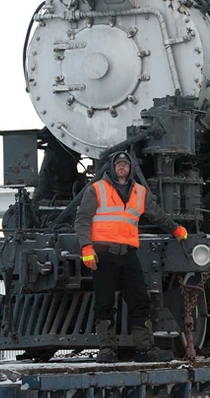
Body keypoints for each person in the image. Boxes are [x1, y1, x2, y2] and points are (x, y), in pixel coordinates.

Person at [74, 150, 187, 362]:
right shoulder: (97, 189)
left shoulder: (140, 193)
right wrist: (87, 248)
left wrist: (175, 229)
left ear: (131, 168)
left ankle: (144, 349)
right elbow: (82, 219)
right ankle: (107, 350)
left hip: (127, 255)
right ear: (112, 167)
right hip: (103, 253)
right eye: (118, 164)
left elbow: (157, 214)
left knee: (140, 301)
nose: (122, 167)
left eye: (125, 164)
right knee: (104, 303)